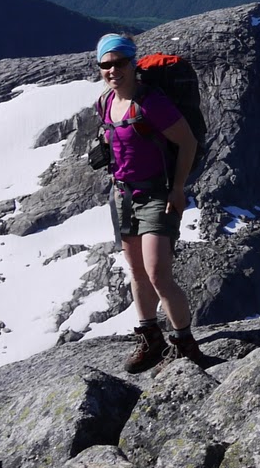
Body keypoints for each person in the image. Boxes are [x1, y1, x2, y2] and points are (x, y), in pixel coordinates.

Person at [94, 33, 204, 372]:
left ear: (133, 63)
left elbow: (187, 143)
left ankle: (185, 344)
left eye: (119, 63)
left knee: (157, 273)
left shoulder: (151, 103)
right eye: (105, 65)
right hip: (123, 195)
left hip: (158, 194)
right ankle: (150, 338)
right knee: (138, 271)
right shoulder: (105, 103)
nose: (113, 70)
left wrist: (178, 188)